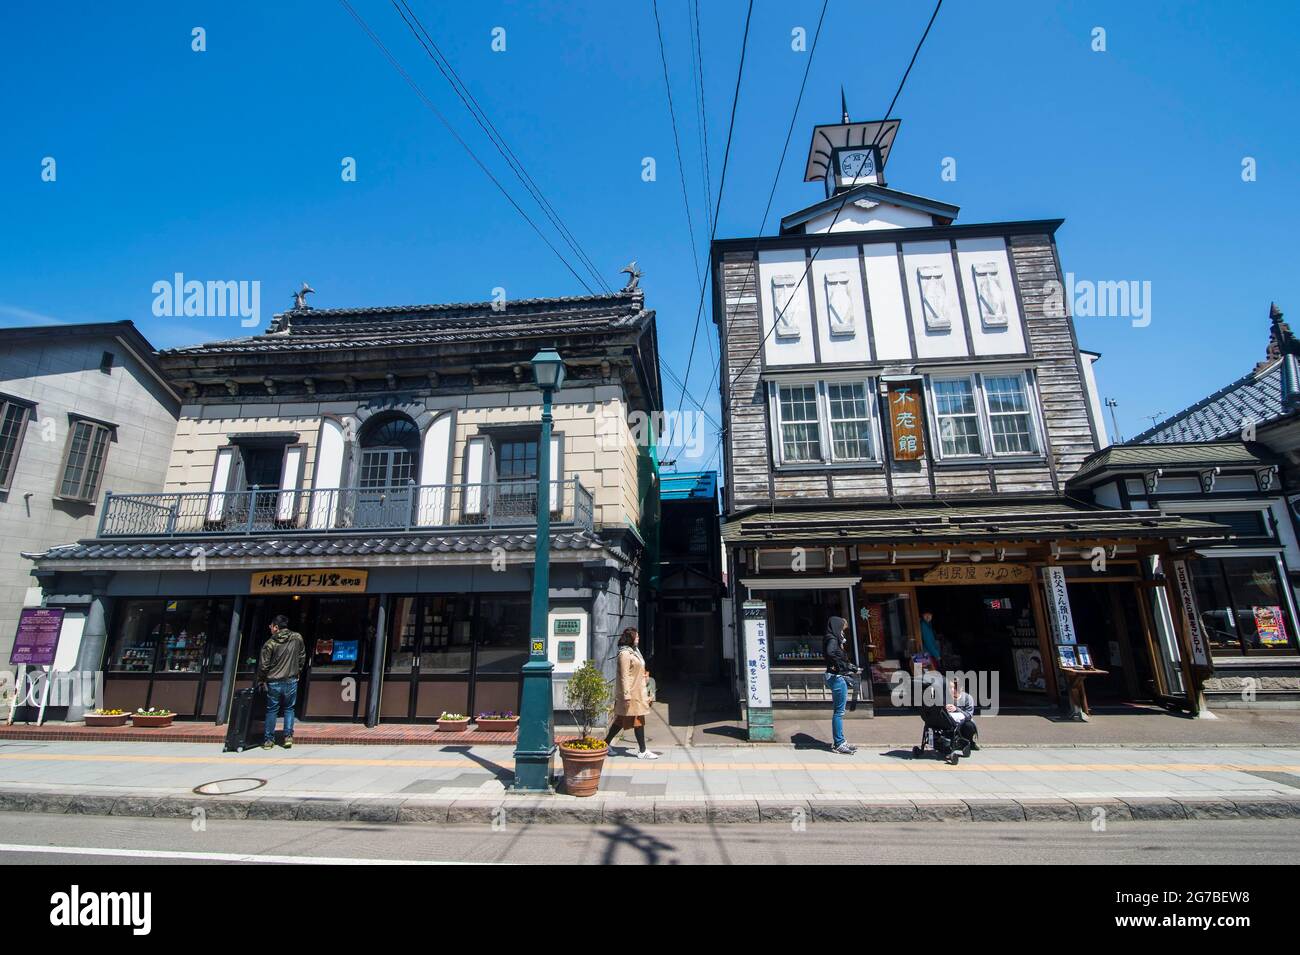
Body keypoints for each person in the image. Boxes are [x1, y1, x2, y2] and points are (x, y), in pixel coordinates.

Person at [604, 627, 658, 759]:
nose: (638, 638)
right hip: (631, 693)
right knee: (638, 719)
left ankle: (605, 744)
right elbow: (624, 676)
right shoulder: (625, 654)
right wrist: (626, 695)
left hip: (638, 691)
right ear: (631, 638)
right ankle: (642, 750)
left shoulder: (634, 651)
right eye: (637, 636)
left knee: (622, 720)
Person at [257, 614, 306, 749]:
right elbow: (302, 655)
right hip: (291, 679)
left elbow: (264, 665)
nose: (270, 628)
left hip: (274, 681)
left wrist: (261, 680)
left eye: (271, 625)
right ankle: (288, 736)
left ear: (276, 627)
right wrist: (298, 671)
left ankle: (268, 740)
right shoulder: (297, 638)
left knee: (272, 710)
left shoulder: (270, 643)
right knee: (289, 708)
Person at [823, 615, 857, 755]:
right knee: (839, 712)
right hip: (837, 677)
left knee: (838, 712)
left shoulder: (832, 638)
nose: (843, 631)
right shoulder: (832, 639)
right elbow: (831, 653)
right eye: (842, 628)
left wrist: (847, 665)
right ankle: (839, 743)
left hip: (834, 676)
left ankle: (841, 741)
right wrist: (842, 665)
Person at [945, 678, 979, 750]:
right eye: (950, 687)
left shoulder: (967, 698)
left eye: (955, 687)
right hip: (950, 722)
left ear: (961, 688)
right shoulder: (946, 698)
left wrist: (956, 709)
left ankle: (968, 742)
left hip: (963, 723)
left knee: (969, 725)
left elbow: (969, 715)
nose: (952, 690)